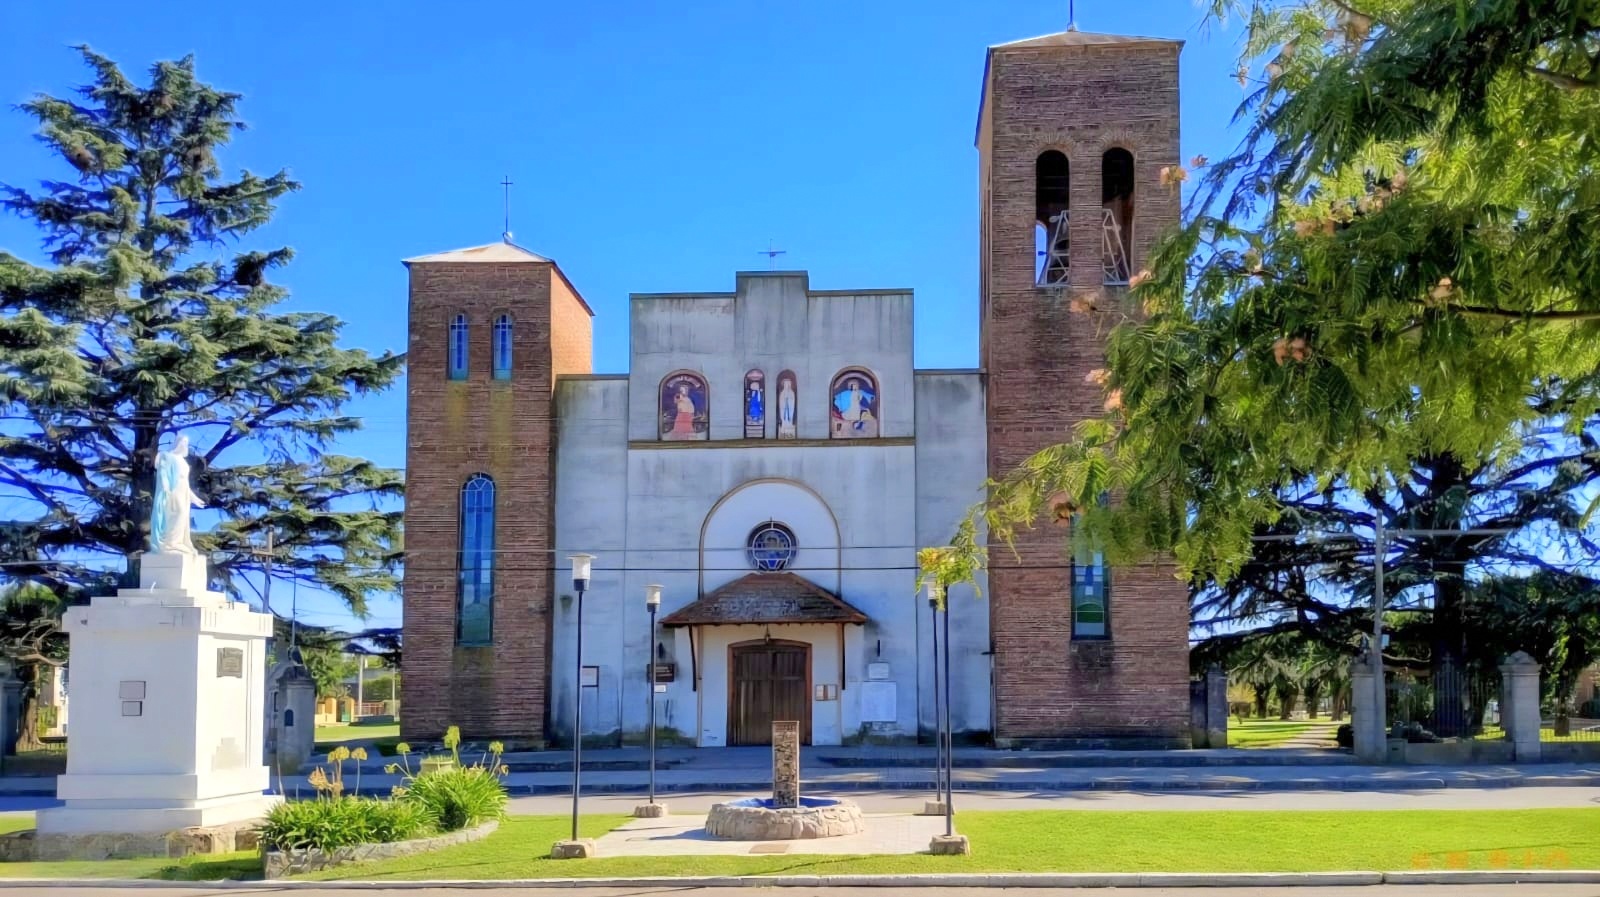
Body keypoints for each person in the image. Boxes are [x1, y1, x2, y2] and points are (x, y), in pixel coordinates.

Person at [150, 434, 205, 554]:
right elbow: (163, 473)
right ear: (177, 443)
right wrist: (165, 486)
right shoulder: (167, 456)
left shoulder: (183, 461)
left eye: (186, 443)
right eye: (182, 442)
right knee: (177, 512)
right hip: (172, 489)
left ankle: (178, 542)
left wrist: (193, 497)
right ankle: (171, 543)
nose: (184, 445)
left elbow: (185, 482)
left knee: (183, 516)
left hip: (183, 491)